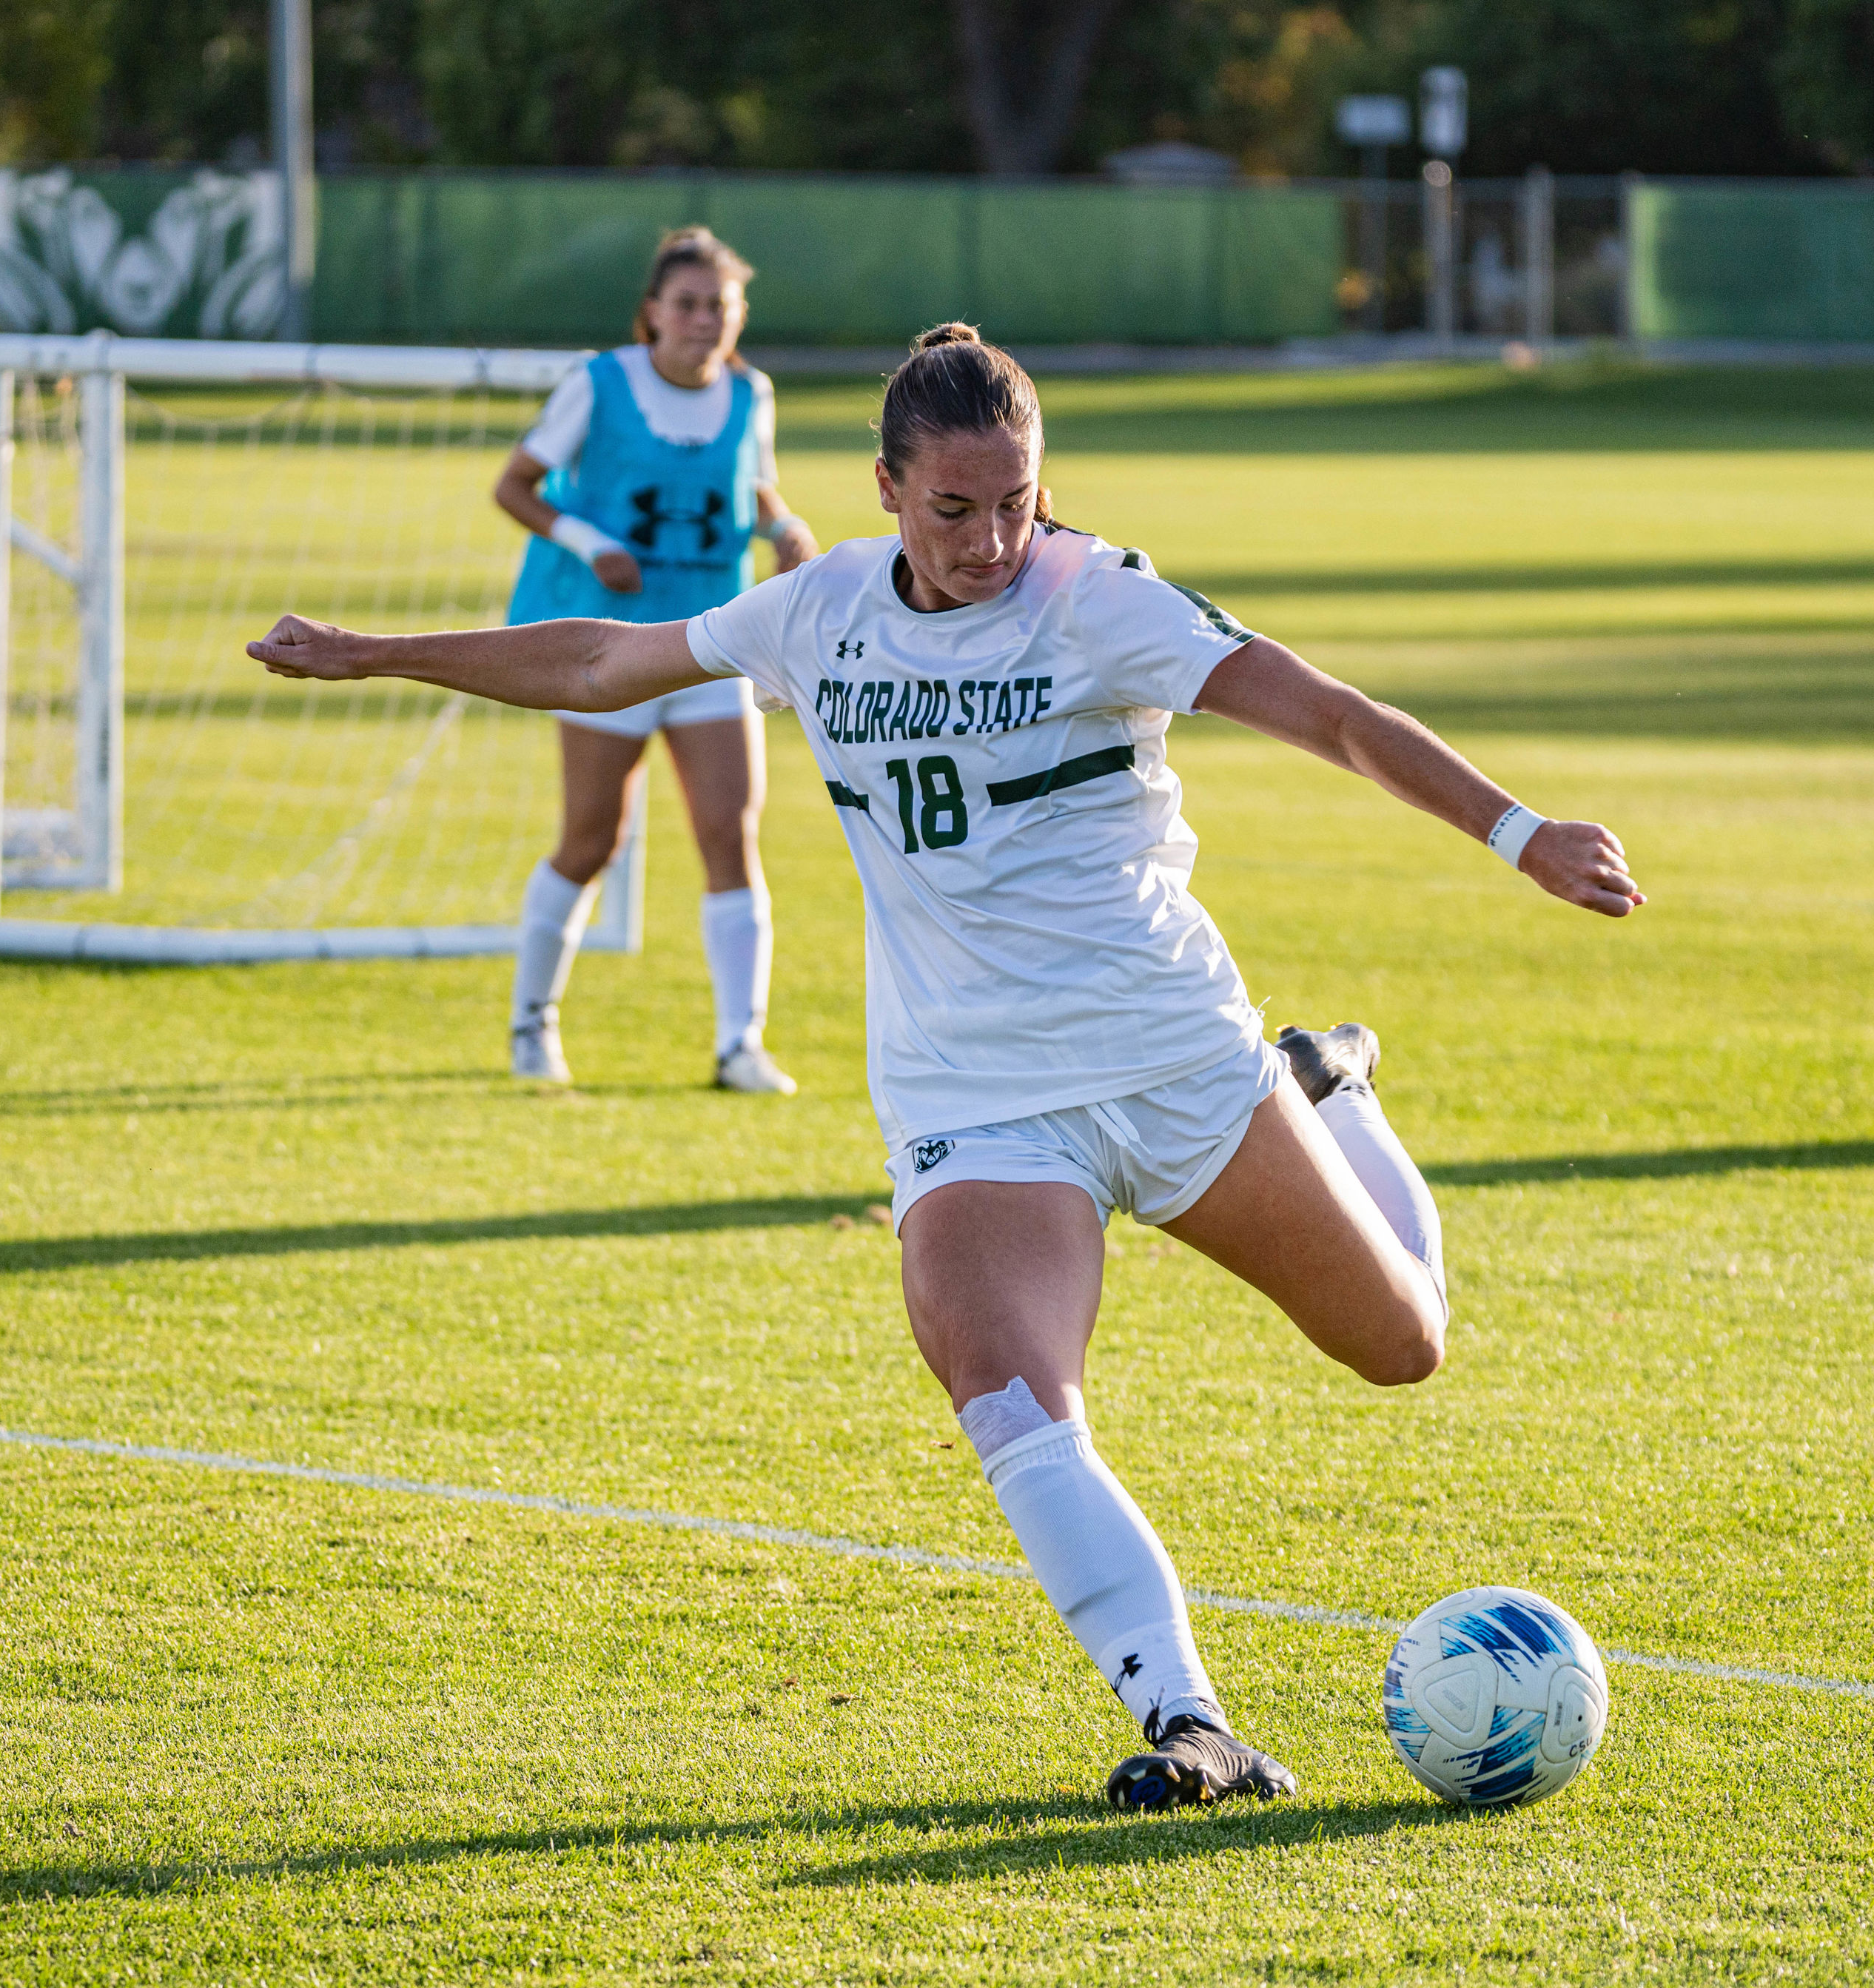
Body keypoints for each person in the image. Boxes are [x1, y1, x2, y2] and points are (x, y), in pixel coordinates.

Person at [252, 323, 1643, 1810]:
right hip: (976, 1098)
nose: (990, 541)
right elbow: (606, 658)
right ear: (887, 490)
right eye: (955, 510)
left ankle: (1332, 1089)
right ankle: (1191, 1721)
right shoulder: (821, 607)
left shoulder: (1105, 600)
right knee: (1006, 1390)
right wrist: (379, 654)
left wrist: (1523, 833)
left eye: (1018, 503)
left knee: (1403, 1343)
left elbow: (1336, 718)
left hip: (1171, 1056)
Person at [491, 226, 820, 1093]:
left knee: (729, 832)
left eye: (722, 306)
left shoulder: (752, 395)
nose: (705, 321)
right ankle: (533, 1024)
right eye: (688, 304)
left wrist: (784, 529)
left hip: (711, 644)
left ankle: (740, 1042)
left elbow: (752, 490)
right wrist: (591, 540)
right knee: (592, 837)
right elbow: (514, 485)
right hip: (607, 649)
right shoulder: (600, 384)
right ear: (652, 313)